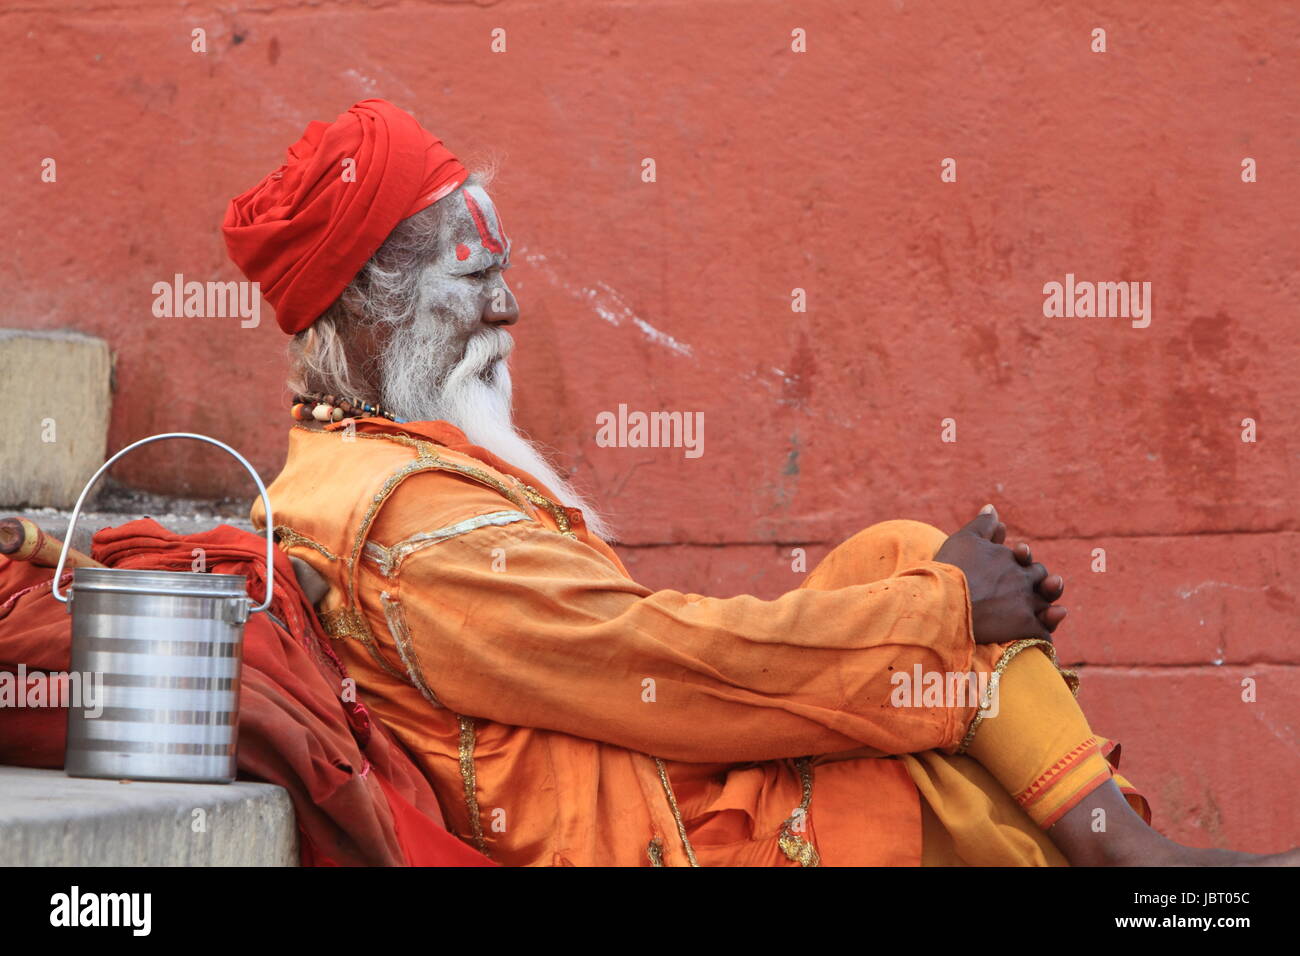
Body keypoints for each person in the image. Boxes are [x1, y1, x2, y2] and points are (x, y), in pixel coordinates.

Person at [222, 99, 1296, 866]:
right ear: (367, 300)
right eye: (475, 276)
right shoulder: (405, 522)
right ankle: (1134, 866)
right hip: (652, 831)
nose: (508, 311)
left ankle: (1130, 856)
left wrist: (927, 604)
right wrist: (945, 612)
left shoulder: (366, 461)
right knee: (917, 699)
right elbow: (662, 667)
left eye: (504, 272)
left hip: (648, 761)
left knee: (896, 558)